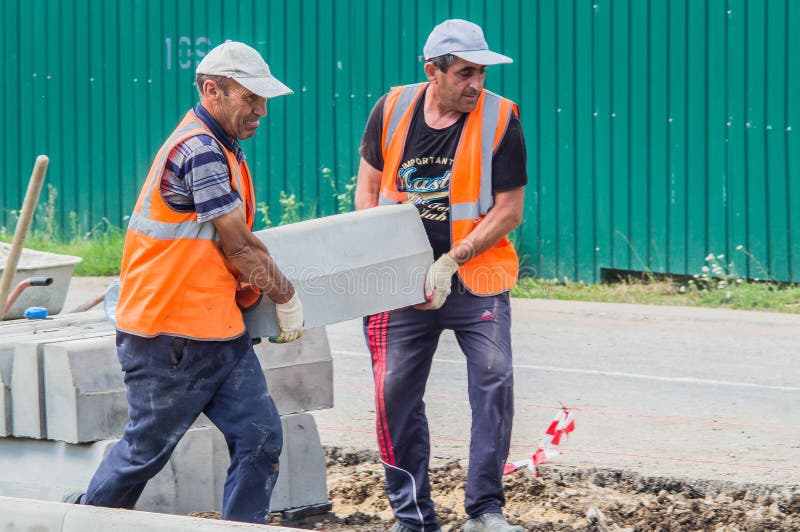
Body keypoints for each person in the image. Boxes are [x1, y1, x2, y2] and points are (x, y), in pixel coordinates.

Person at [63, 41, 304, 524]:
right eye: (249, 98)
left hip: (217, 333)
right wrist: (286, 297)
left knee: (261, 439)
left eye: (264, 99)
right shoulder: (198, 151)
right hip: (168, 338)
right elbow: (239, 247)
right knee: (143, 456)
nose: (261, 109)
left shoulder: (223, 147)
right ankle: (82, 521)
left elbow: (228, 251)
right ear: (212, 90)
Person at [354, 19, 528, 532]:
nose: (477, 84)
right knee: (393, 394)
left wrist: (453, 259)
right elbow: (366, 191)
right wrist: (397, 265)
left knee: (494, 378)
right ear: (433, 72)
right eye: (465, 73)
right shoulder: (391, 109)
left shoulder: (501, 119)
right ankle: (414, 519)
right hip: (400, 285)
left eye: (482, 72)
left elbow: (510, 210)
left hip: (476, 276)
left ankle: (484, 511)